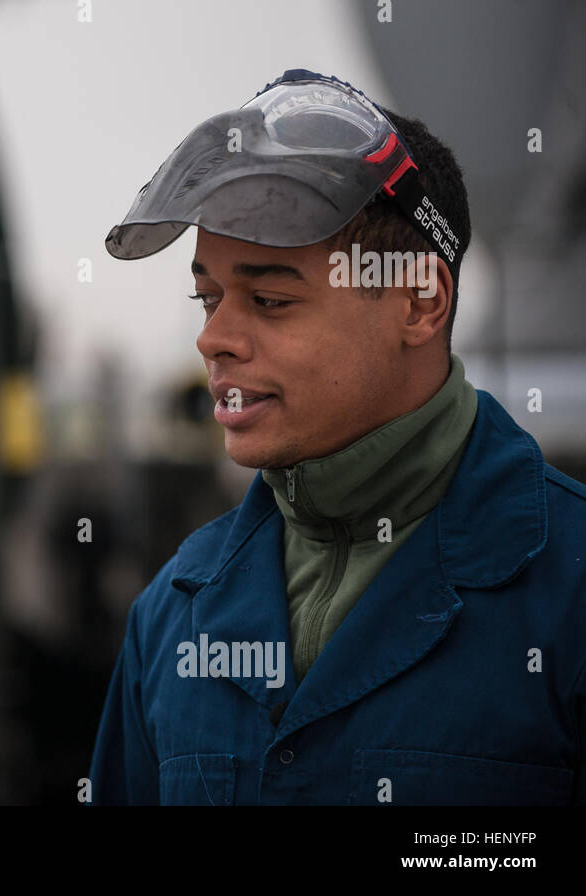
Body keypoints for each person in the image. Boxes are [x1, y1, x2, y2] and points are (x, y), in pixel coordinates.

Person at [88, 70, 586, 805]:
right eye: (208, 298)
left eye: (270, 299)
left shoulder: (569, 591)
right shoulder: (174, 613)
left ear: (420, 302)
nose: (216, 338)